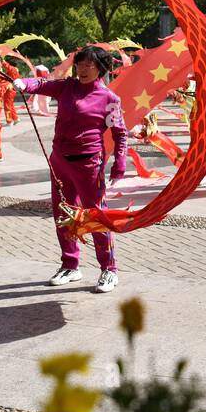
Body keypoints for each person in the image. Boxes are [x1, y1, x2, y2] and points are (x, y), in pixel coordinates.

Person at [13, 46, 126, 293]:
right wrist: (23, 83)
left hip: (89, 165)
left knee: (96, 217)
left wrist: (120, 163)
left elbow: (120, 133)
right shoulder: (66, 86)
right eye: (80, 64)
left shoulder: (109, 98)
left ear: (101, 69)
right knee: (63, 214)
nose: (83, 69)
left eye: (90, 65)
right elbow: (41, 84)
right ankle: (70, 264)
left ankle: (109, 269)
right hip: (60, 162)